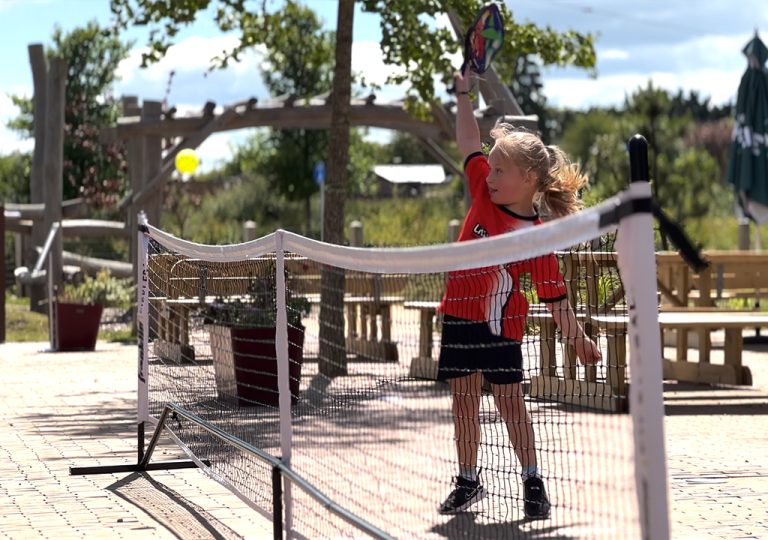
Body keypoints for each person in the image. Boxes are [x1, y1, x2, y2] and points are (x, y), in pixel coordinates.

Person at [437, 70, 602, 520]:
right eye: (489, 167)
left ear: (528, 178)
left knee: (511, 403)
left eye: (500, 170)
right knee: (463, 401)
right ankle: (468, 479)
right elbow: (468, 138)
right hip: (458, 317)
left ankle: (532, 480)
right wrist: (462, 93)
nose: (489, 174)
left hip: (499, 327)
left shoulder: (535, 238)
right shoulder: (481, 192)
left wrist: (577, 338)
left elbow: (556, 298)